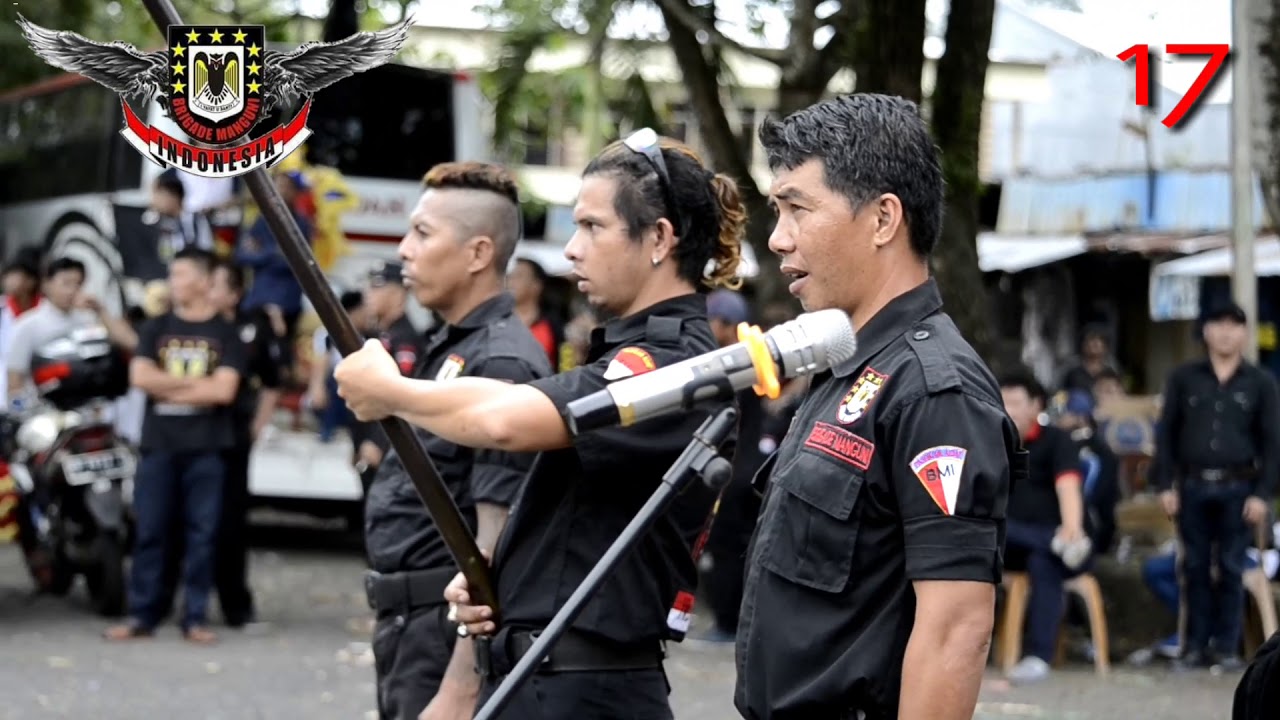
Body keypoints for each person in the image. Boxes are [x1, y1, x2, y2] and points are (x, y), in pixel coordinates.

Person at [334, 127, 745, 720]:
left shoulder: (671, 367)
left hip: (583, 689)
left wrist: (393, 392)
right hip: (546, 676)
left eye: (592, 227)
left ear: (658, 238)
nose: (572, 250)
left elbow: (506, 418)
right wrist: (506, 581)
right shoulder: (636, 357)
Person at [734, 94, 1023, 720]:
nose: (778, 239)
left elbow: (955, 632)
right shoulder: (849, 366)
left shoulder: (936, 392)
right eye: (775, 210)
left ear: (884, 218)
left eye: (797, 209)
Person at [358, 162, 551, 720]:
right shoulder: (453, 348)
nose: (403, 251)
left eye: (422, 233)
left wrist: (457, 693)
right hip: (409, 628)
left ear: (478, 253)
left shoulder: (503, 361)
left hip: (444, 635)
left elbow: (494, 552)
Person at [104, 248, 246, 644]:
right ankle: (142, 615)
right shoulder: (156, 327)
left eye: (181, 274)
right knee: (150, 530)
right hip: (159, 447)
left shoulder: (225, 332)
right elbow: (141, 377)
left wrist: (169, 386)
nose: (173, 281)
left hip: (207, 449)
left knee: (202, 534)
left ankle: (195, 617)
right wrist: (195, 389)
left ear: (203, 280)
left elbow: (225, 390)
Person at [1152, 301, 1279, 671]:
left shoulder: (1260, 383)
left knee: (1230, 566)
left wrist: (1262, 493)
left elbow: (1272, 443)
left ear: (1245, 332)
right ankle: (1193, 646)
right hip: (1191, 485)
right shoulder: (1183, 378)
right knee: (1192, 566)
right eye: (1218, 323)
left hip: (1239, 488)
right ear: (1205, 330)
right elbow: (1167, 436)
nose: (1226, 332)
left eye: (1234, 325)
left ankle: (1226, 647)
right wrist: (1164, 485)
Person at [998, 369, 1090, 684]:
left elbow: (1068, 486)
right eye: (1002, 401)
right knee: (994, 530)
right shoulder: (988, 440)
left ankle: (1038, 656)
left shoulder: (1057, 442)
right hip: (1003, 542)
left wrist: (1073, 528)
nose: (1007, 410)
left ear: (1036, 406)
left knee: (1044, 561)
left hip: (1048, 541)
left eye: (1015, 402)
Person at [207, 260, 284, 627]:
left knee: (229, 523)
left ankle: (235, 606)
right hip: (193, 433)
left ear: (234, 292)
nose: (209, 292)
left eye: (216, 285)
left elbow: (272, 380)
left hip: (234, 434)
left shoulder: (253, 326)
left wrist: (257, 425)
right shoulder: (194, 323)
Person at [6, 257, 136, 405]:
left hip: (87, 409)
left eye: (78, 284)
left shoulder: (87, 320)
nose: (72, 291)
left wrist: (101, 311)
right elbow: (15, 381)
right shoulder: (27, 325)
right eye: (66, 283)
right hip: (45, 411)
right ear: (46, 285)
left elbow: (130, 343)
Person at [349, 261, 429, 496]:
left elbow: (399, 398)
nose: (368, 295)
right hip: (367, 434)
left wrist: (378, 442)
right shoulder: (379, 335)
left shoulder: (405, 340)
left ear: (398, 295)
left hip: (389, 446)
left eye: (377, 288)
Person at [508, 257, 565, 370]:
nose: (511, 282)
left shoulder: (553, 326)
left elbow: (565, 366)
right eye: (510, 277)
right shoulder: (496, 321)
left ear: (536, 286)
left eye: (518, 277)